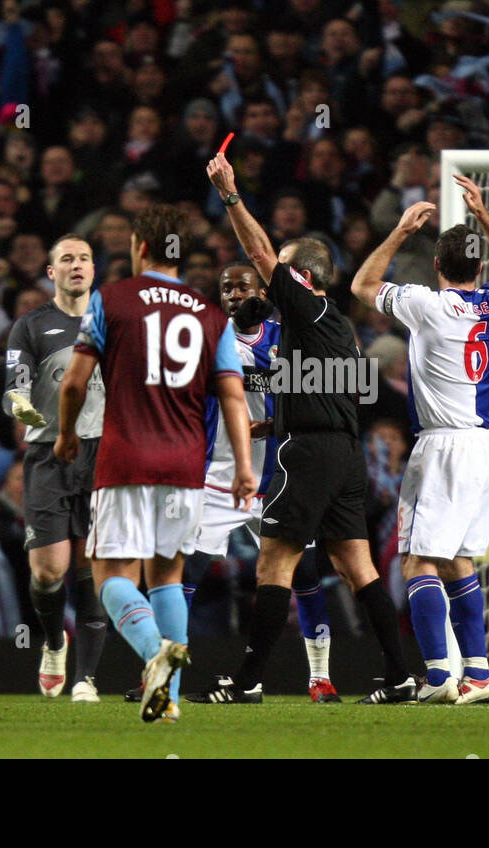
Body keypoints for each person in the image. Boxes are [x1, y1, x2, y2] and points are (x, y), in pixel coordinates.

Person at [193, 151, 415, 704]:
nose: (272, 282)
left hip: (309, 455)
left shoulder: (308, 308)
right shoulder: (333, 325)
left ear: (305, 276)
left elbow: (260, 252)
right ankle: (402, 675)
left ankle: (247, 682)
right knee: (357, 568)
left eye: (284, 272)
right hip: (344, 456)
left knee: (275, 564)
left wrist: (230, 193)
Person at [55, 204, 256, 723]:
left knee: (109, 576)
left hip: (126, 460)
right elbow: (234, 398)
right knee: (167, 577)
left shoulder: (112, 301)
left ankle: (156, 656)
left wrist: (65, 436)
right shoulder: (213, 316)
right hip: (188, 467)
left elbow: (75, 382)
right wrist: (244, 468)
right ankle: (166, 697)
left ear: (140, 248)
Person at [349, 173, 489, 705]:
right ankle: (478, 673)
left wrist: (401, 231)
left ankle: (439, 676)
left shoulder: (426, 304)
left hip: (442, 446)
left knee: (418, 560)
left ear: (437, 266)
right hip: (484, 448)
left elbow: (361, 285)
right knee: (460, 560)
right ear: (480, 268)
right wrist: (486, 216)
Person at [180, 262, 341, 703]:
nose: (234, 293)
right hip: (218, 478)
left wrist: (273, 425)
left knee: (305, 575)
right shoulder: (208, 339)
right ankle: (163, 673)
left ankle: (321, 677)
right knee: (188, 572)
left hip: (278, 480)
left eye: (242, 286)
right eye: (226, 287)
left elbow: (318, 398)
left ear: (262, 291)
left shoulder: (286, 339)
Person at [3, 234, 109, 702]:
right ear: (52, 273)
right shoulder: (31, 325)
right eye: (66, 258)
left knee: (92, 566)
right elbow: (14, 388)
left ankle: (86, 677)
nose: (77, 265)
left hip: (104, 452)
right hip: (48, 453)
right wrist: (22, 407)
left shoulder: (113, 322)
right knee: (48, 572)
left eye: (84, 258)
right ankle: (52, 641)